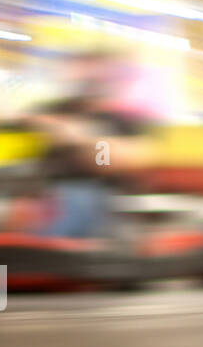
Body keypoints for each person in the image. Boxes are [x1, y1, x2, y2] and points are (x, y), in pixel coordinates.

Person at [28, 49, 151, 238]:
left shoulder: (121, 119)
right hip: (48, 191)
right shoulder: (51, 111)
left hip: (102, 192)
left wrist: (84, 140)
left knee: (84, 196)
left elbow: (106, 163)